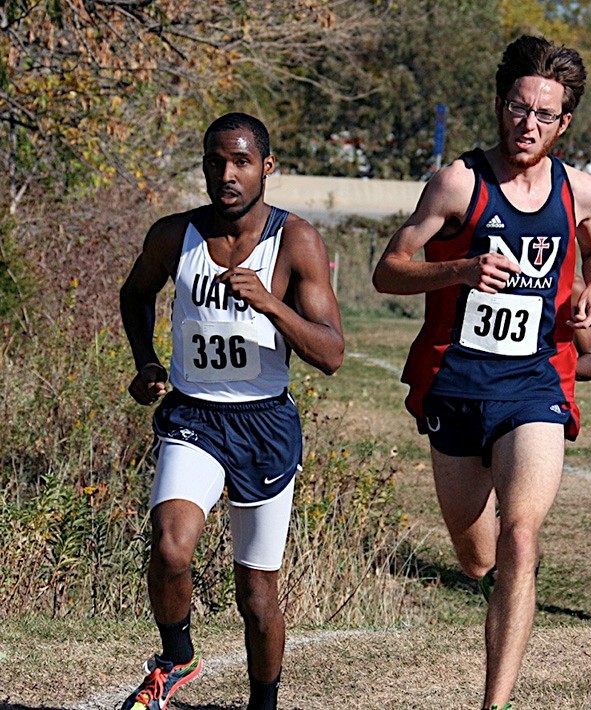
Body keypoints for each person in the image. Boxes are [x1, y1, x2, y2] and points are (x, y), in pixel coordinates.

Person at [372, 35, 591, 710]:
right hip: (458, 382)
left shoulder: (580, 189)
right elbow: (387, 271)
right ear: (501, 105)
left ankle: (493, 705)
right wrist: (461, 268)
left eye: (543, 114)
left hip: (534, 381)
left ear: (564, 123)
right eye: (517, 107)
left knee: (520, 537)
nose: (526, 124)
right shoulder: (459, 183)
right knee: (479, 559)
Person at [118, 112, 345, 710]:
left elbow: (331, 353)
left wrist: (272, 304)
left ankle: (263, 704)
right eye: (216, 161)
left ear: (266, 167)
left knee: (257, 594)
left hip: (264, 424)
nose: (227, 174)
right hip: (193, 417)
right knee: (170, 546)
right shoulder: (175, 234)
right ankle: (177, 655)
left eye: (241, 161)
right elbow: (135, 293)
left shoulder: (296, 241)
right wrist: (145, 363)